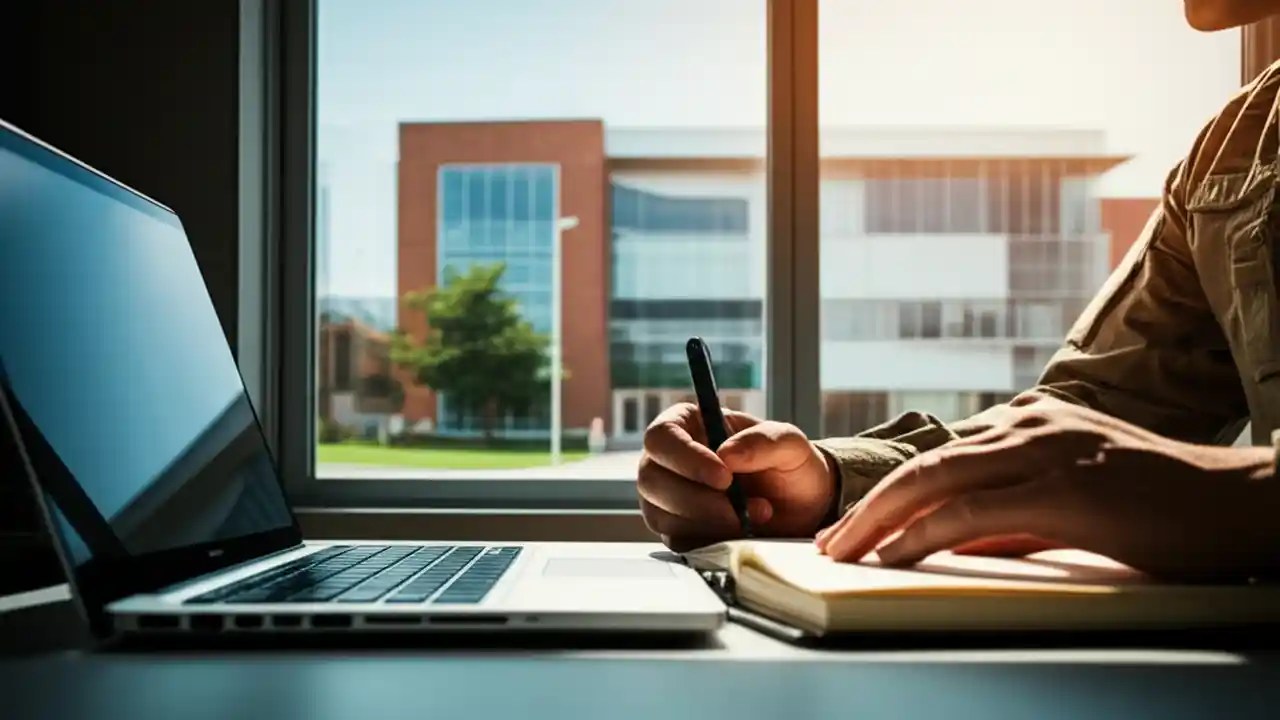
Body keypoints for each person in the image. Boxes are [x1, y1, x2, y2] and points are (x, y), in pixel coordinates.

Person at [637, 0, 1280, 583]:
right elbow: (1087, 419)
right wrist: (824, 483)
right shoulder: (1234, 151)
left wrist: (1222, 500)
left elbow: (1104, 459)